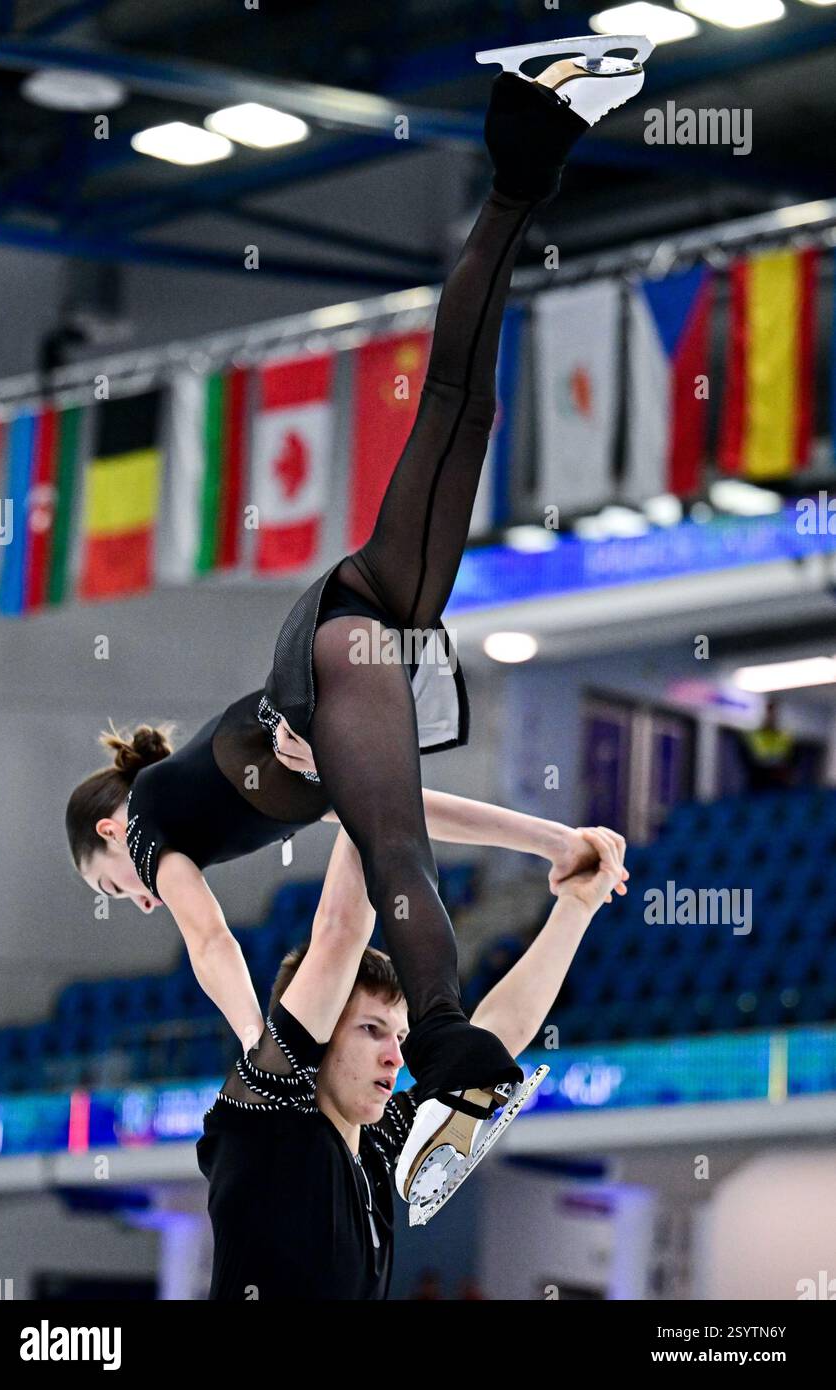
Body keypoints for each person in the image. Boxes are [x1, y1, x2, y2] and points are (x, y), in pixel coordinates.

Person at [65, 35, 647, 1202]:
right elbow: (406, 800)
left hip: (323, 663)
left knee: (390, 859)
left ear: (113, 830)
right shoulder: (229, 801)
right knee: (458, 407)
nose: (131, 893)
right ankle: (526, 147)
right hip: (365, 629)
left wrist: (259, 1050)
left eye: (110, 880)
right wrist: (548, 842)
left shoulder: (158, 829)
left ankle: (440, 1029)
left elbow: (214, 942)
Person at [196, 820, 627, 1300]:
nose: (395, 1056)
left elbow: (496, 1036)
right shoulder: (265, 1118)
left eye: (400, 1036)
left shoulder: (376, 1147)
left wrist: (576, 905)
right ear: (318, 1033)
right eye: (371, 1030)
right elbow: (341, 928)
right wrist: (364, 793)